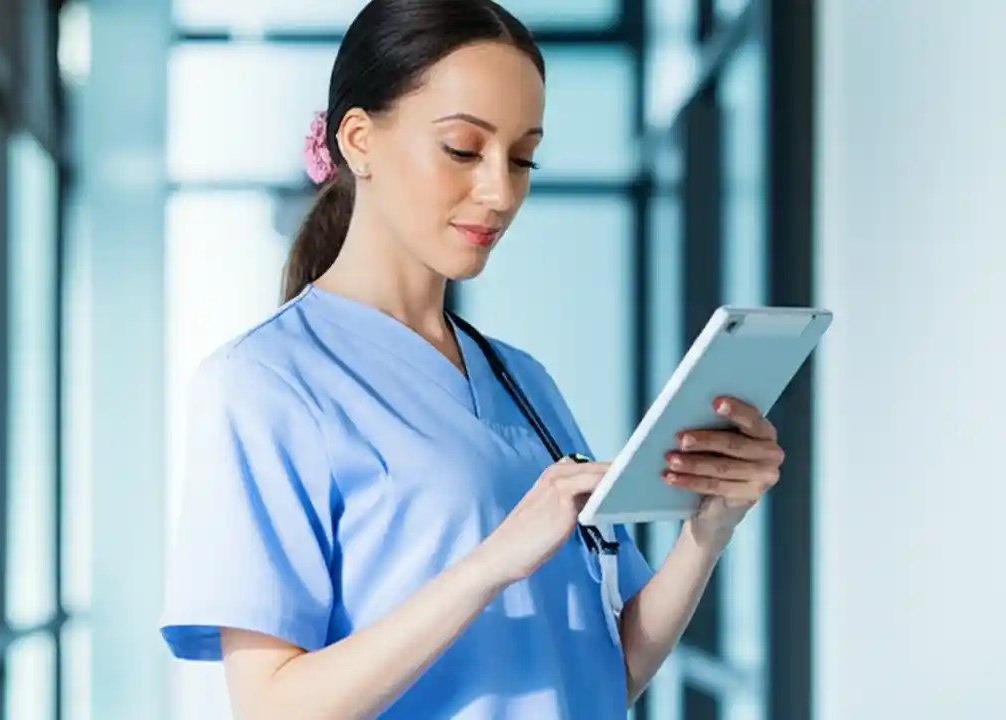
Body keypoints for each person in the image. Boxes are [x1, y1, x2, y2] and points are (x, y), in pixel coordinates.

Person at [158, 1, 787, 717]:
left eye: (522, 159)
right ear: (359, 140)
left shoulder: (523, 382)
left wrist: (711, 526)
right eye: (463, 149)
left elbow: (600, 673)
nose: (500, 192)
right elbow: (273, 707)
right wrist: (491, 564)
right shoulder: (264, 381)